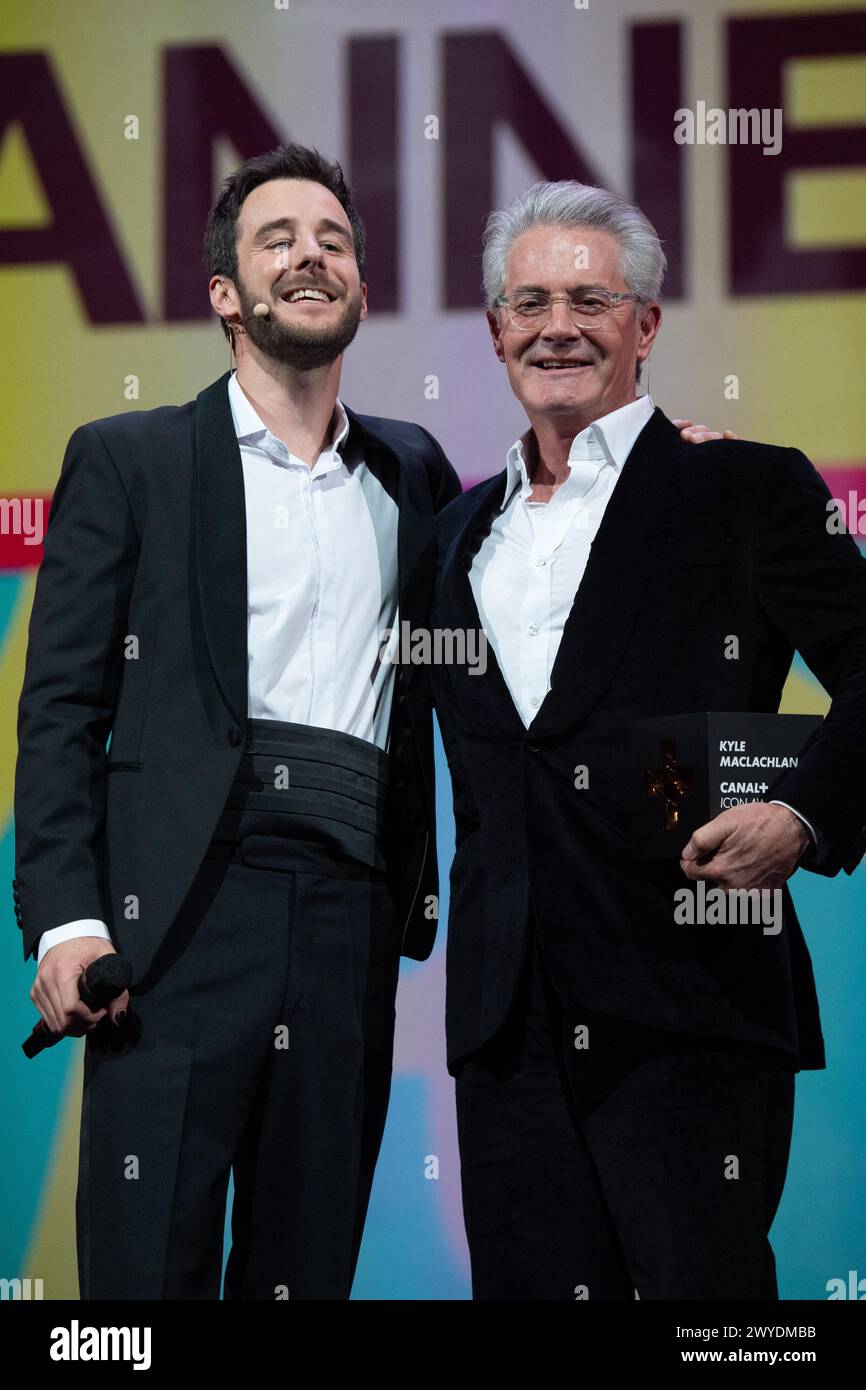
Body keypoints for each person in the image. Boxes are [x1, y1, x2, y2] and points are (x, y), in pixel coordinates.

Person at [13, 142, 462, 1300]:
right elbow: (62, 705)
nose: (311, 255)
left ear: (361, 288)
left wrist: (670, 468)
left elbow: (524, 564)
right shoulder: (131, 460)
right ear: (226, 294)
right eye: (278, 240)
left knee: (303, 1272)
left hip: (350, 920)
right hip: (173, 919)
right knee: (142, 1285)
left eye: (334, 240)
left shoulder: (417, 473)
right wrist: (63, 918)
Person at [431, 180, 866, 1300]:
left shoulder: (743, 486)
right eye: (526, 302)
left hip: (689, 999)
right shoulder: (448, 537)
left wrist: (806, 814)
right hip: (506, 1030)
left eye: (589, 297)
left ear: (644, 325)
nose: (555, 325)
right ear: (492, 330)